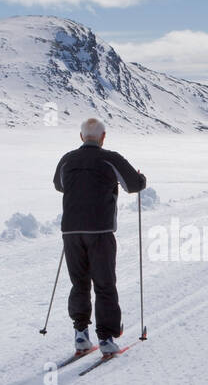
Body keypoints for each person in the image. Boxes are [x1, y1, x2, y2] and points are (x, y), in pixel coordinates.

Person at [53, 117, 147, 356]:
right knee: (104, 284)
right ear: (103, 137)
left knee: (80, 283)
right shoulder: (110, 158)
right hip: (100, 231)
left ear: (81, 136)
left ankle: (81, 334)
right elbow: (134, 185)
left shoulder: (67, 159)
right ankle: (106, 338)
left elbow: (59, 185)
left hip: (71, 231)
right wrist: (140, 178)